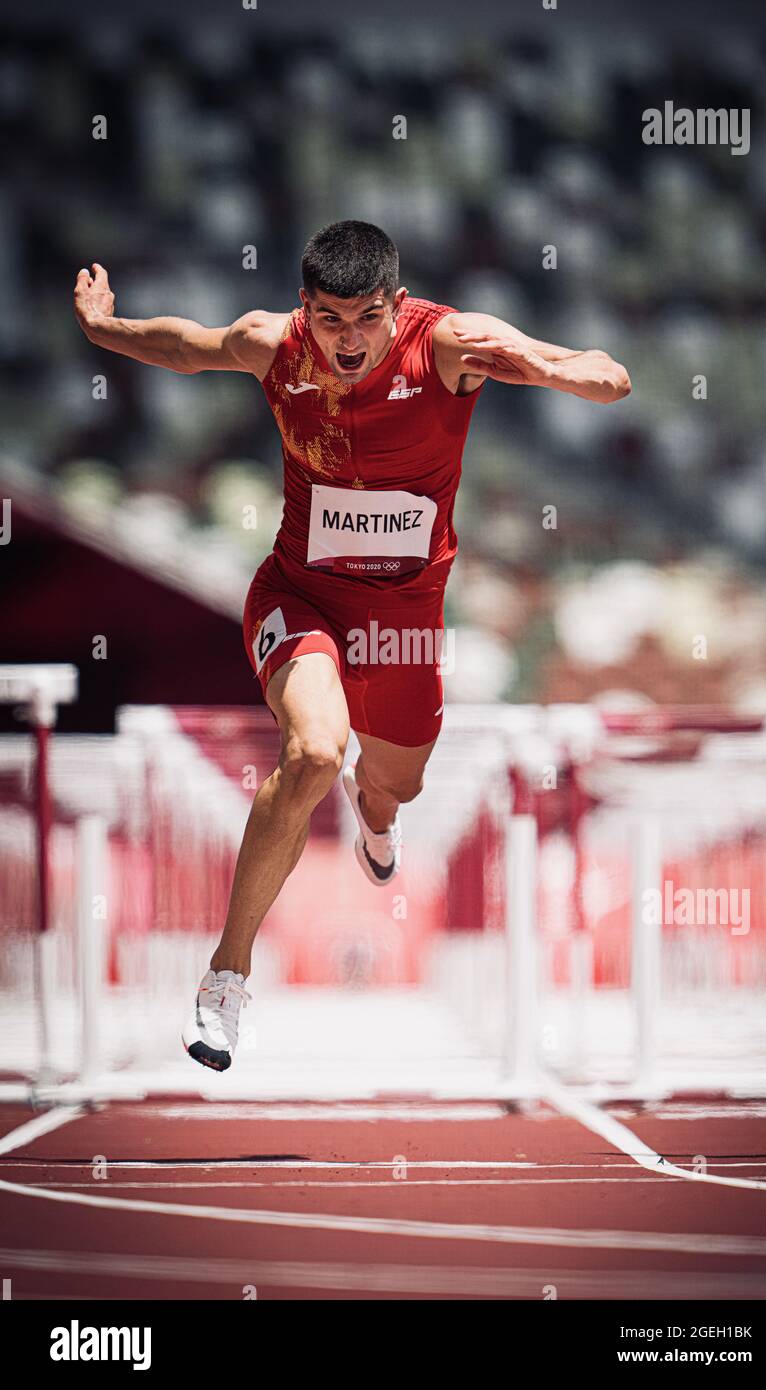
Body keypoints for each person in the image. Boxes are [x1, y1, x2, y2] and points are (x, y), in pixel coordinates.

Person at [74, 219, 631, 1070]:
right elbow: (186, 346)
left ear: (396, 306)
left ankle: (378, 820)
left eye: (366, 319)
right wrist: (106, 328)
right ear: (306, 308)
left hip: (405, 623)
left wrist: (574, 372)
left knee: (392, 783)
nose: (348, 340)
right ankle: (226, 981)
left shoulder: (448, 345)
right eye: (330, 320)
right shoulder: (275, 346)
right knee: (312, 753)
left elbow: (588, 369)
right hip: (302, 597)